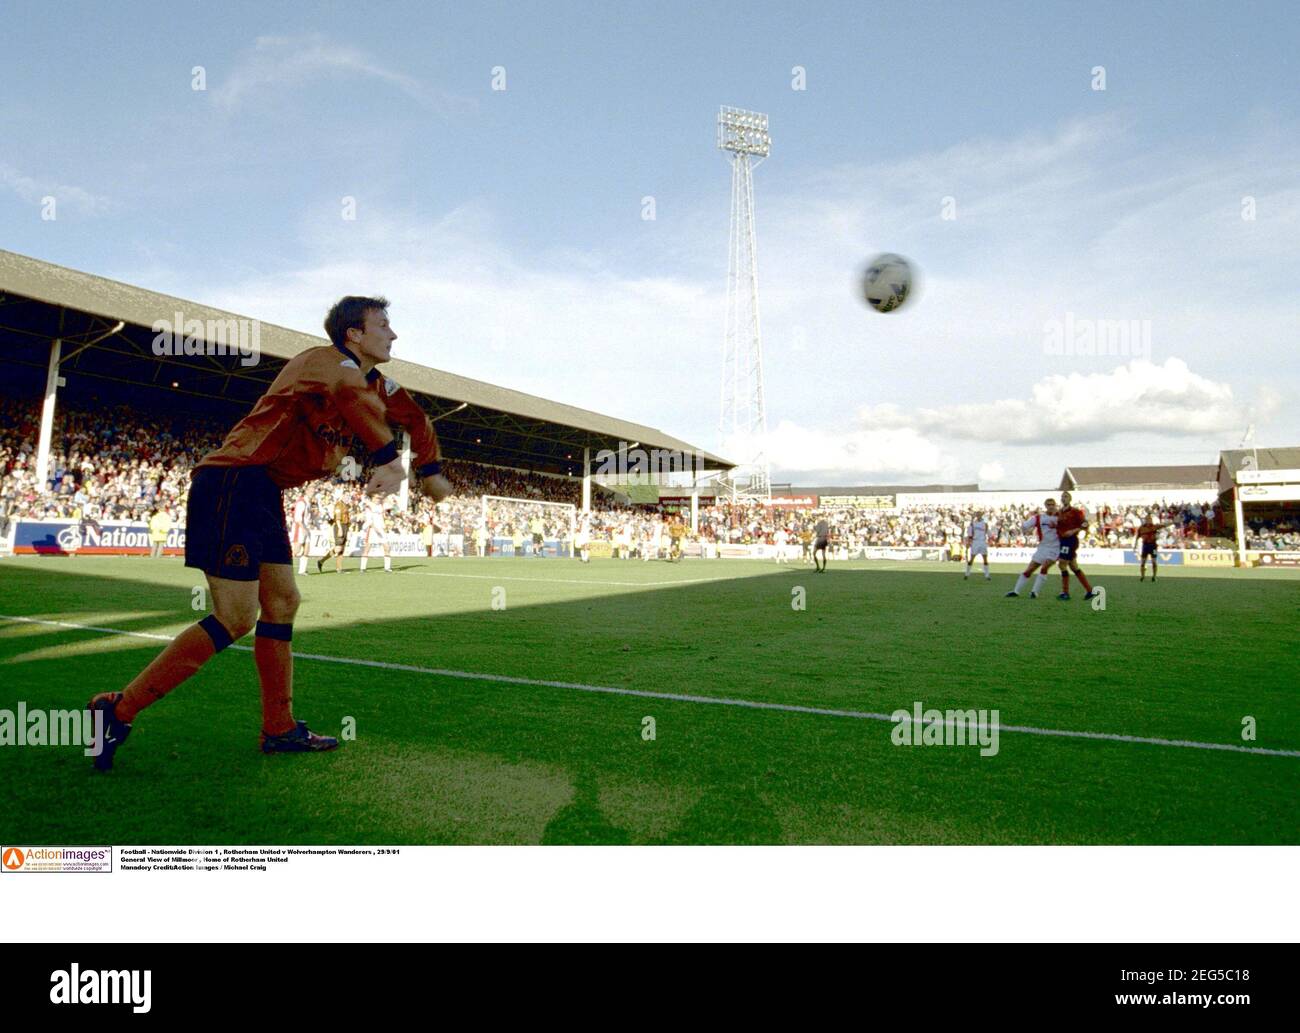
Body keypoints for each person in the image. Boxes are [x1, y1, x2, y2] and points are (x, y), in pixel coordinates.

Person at [86, 295, 452, 770]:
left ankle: (279, 729)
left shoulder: (379, 383)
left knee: (282, 602)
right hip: (234, 480)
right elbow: (347, 393)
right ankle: (116, 709)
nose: (394, 334)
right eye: (383, 325)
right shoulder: (326, 363)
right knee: (236, 616)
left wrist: (432, 468)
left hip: (263, 492)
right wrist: (389, 461)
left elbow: (416, 418)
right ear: (354, 334)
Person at [1005, 498, 1059, 599]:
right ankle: (1016, 591)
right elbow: (1025, 526)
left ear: (1055, 505)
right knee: (1030, 569)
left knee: (1045, 567)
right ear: (1045, 506)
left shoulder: (1060, 517)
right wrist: (1022, 528)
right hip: (1042, 547)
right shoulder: (1038, 518)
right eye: (1048, 504)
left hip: (1056, 548)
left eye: (1052, 504)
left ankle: (1034, 592)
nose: (1051, 506)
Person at [1054, 491, 1099, 601]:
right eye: (1062, 497)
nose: (1063, 498)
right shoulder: (1058, 513)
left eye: (1066, 496)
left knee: (1062, 564)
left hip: (1070, 541)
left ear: (1070, 499)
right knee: (1074, 567)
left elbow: (1085, 524)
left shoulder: (1076, 512)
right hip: (1062, 540)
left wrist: (1074, 530)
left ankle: (1065, 592)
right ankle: (1090, 591)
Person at [1134, 512, 1167, 581]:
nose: (1149, 520)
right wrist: (1135, 545)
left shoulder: (1154, 526)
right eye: (1147, 519)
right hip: (1145, 546)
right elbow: (1137, 537)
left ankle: (1154, 576)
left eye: (1150, 519)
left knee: (1154, 562)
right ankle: (1142, 576)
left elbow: (1164, 525)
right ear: (1145, 520)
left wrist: (1172, 522)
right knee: (1143, 562)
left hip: (1153, 546)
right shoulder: (1141, 528)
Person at [964, 510, 991, 581]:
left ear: (982, 515)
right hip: (975, 542)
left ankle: (987, 575)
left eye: (979, 514)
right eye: (977, 514)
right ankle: (967, 574)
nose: (978, 515)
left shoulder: (985, 524)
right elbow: (970, 535)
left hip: (982, 542)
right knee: (971, 559)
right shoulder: (973, 524)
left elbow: (989, 534)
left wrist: (991, 540)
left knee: (985, 559)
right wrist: (968, 543)